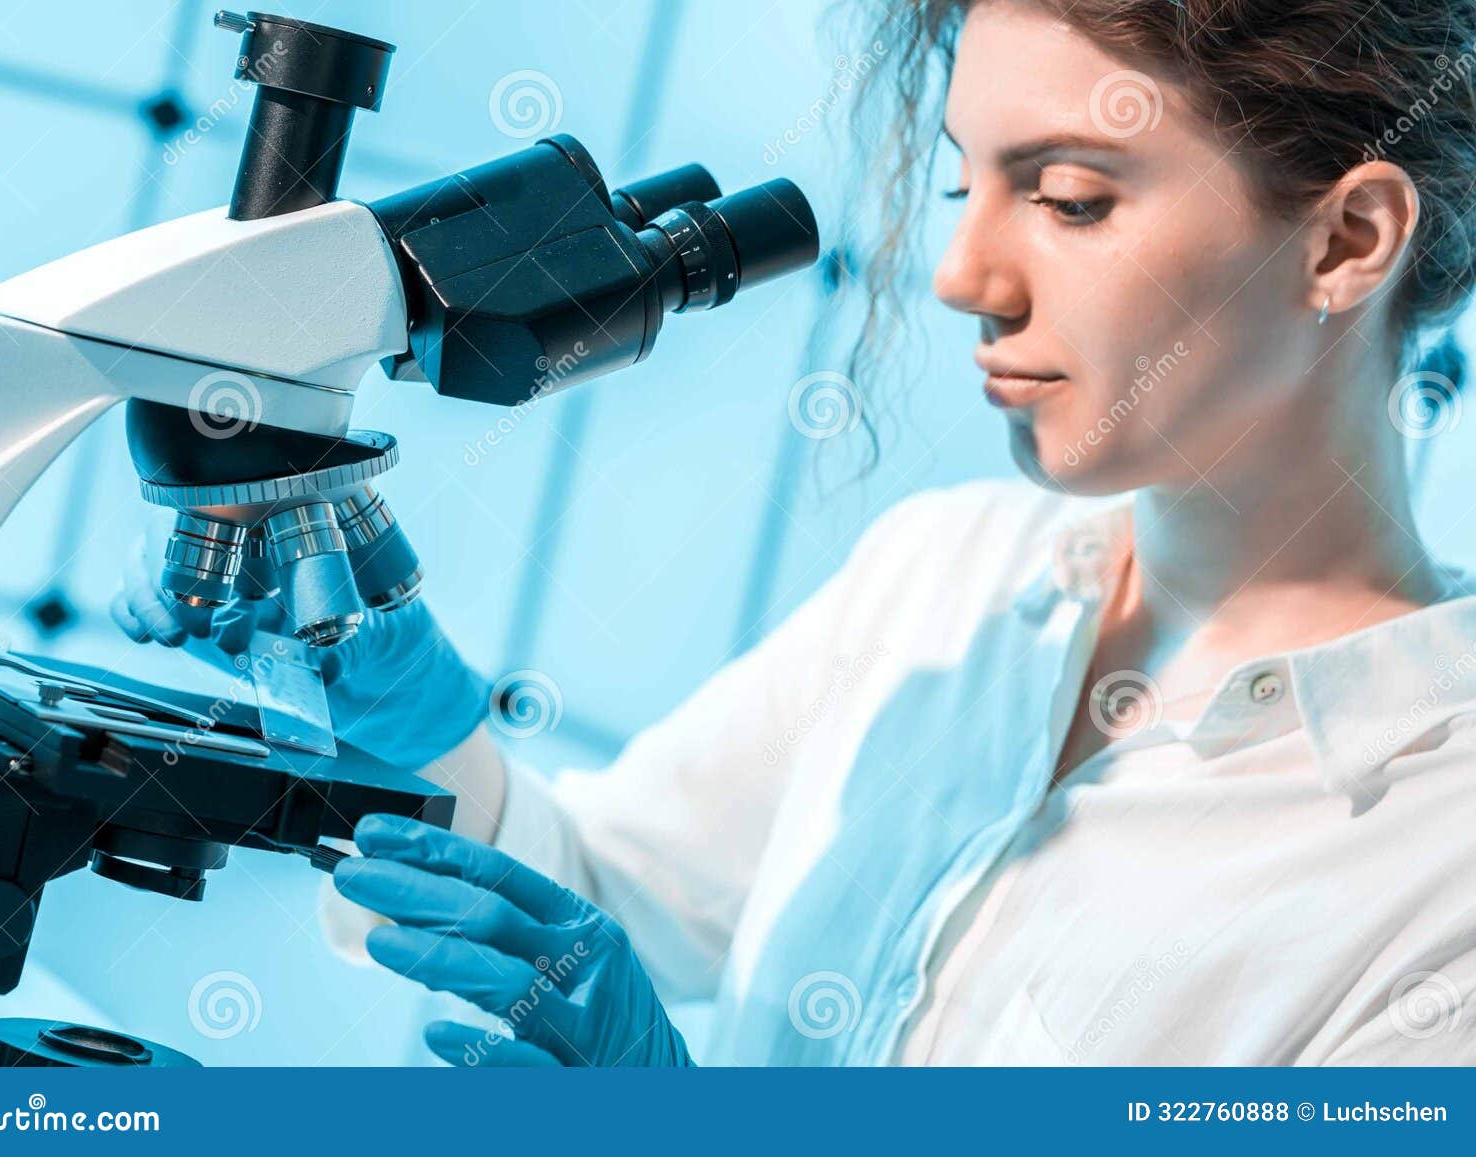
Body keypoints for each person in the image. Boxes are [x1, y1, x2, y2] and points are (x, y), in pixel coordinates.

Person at [117, 0, 1476, 1066]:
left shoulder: (1440, 867)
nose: (963, 276)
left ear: (1346, 241)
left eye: (1069, 198)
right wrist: (417, 727)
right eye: (962, 190)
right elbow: (596, 903)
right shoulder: (949, 579)